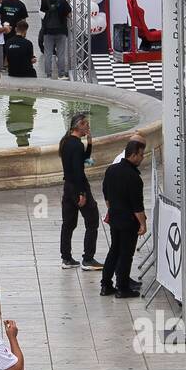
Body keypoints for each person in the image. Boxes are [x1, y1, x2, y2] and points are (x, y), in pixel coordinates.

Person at [101, 139, 148, 298]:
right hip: (128, 222)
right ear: (133, 155)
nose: (143, 158)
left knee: (114, 251)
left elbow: (106, 196)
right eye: (141, 155)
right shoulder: (134, 177)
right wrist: (143, 223)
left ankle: (106, 285)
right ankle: (122, 287)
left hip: (115, 218)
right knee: (126, 254)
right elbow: (137, 206)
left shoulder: (111, 170)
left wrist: (114, 209)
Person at [59, 113, 104, 271]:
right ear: (79, 125)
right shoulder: (76, 145)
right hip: (78, 187)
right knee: (92, 221)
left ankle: (66, 258)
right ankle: (88, 259)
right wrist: (82, 193)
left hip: (68, 187)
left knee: (68, 223)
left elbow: (82, 159)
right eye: (87, 125)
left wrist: (89, 143)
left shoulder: (65, 142)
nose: (88, 128)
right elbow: (78, 170)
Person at [40, 0, 72, 79]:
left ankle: (48, 74)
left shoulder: (45, 1)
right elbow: (69, 15)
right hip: (61, 30)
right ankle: (61, 73)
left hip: (48, 30)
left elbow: (42, 14)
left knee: (48, 53)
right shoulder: (63, 2)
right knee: (61, 53)